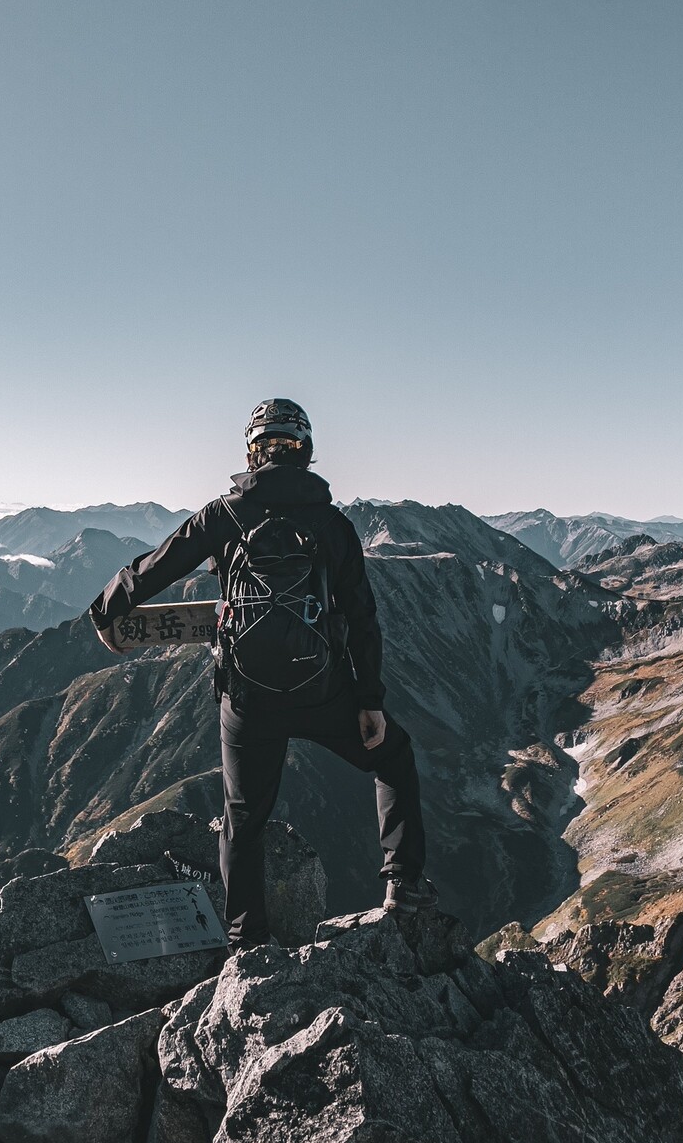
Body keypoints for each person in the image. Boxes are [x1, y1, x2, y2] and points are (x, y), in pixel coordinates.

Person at [89, 398, 435, 951]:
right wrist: (369, 699)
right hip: (323, 690)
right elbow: (363, 618)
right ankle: (403, 884)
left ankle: (246, 941)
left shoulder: (223, 515)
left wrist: (106, 611)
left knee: (242, 819)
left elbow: (157, 565)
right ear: (308, 452)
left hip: (248, 698)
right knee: (393, 756)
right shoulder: (333, 525)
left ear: (252, 452)